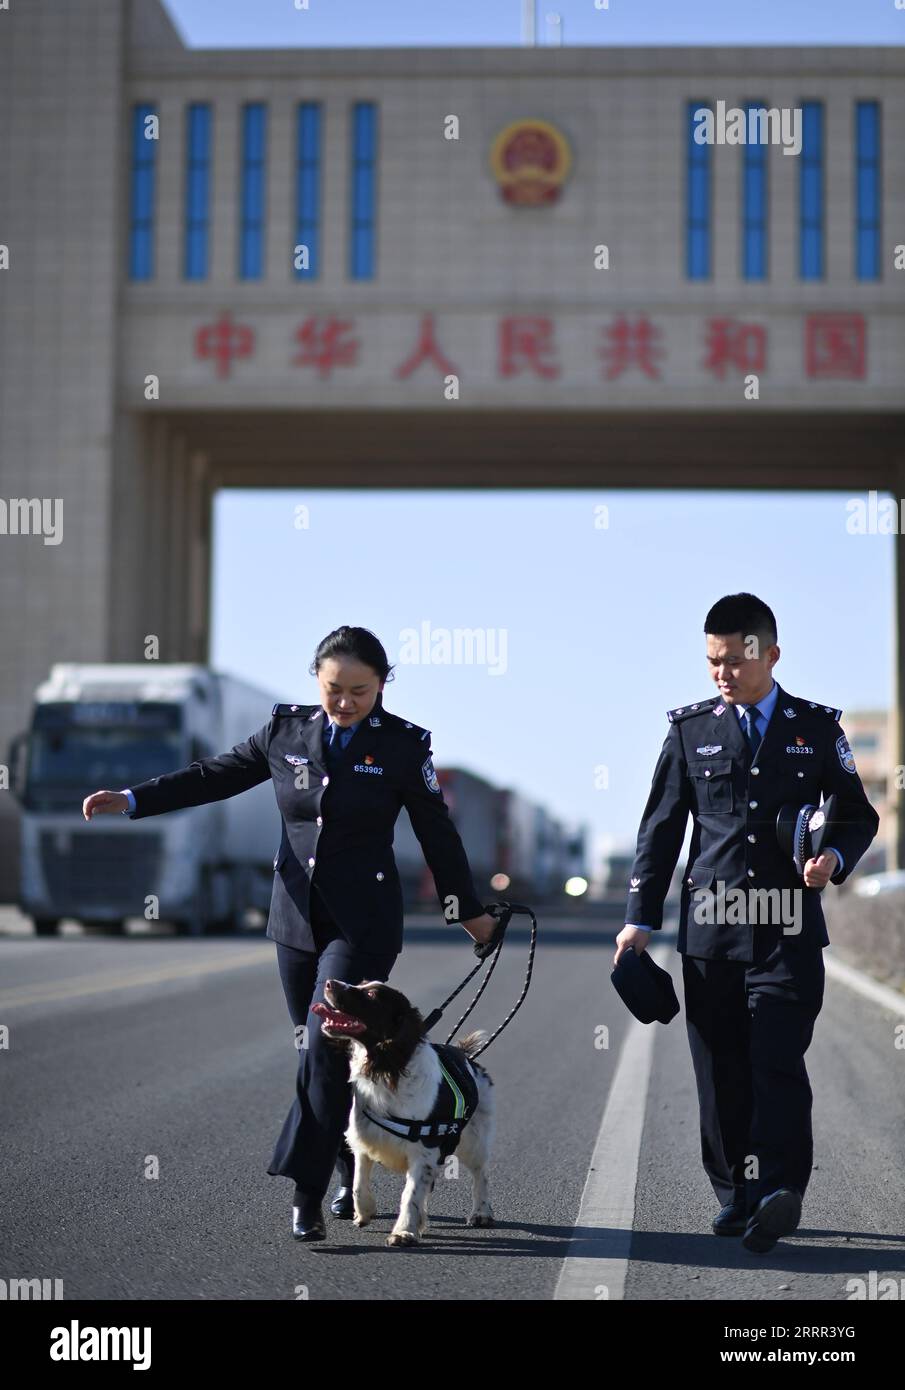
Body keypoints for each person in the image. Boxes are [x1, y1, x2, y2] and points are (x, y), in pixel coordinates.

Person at [81, 625, 497, 1241]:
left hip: (362, 926)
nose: (347, 702)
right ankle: (341, 1168)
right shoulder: (285, 731)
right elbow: (214, 774)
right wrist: (134, 799)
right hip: (294, 920)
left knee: (326, 1053)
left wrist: (470, 912)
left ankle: (304, 1195)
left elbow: (438, 833)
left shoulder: (405, 747)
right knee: (314, 1053)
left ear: (383, 684)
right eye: (334, 689)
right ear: (316, 680)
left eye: (361, 690)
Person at [615, 593, 879, 1253]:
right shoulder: (688, 730)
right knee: (720, 1070)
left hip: (787, 929)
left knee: (776, 1059)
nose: (722, 673)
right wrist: (636, 922)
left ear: (770, 653)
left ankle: (777, 1191)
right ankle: (736, 1195)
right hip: (710, 931)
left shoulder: (814, 729)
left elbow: (856, 813)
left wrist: (833, 856)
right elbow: (659, 832)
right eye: (712, 662)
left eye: (734, 659)